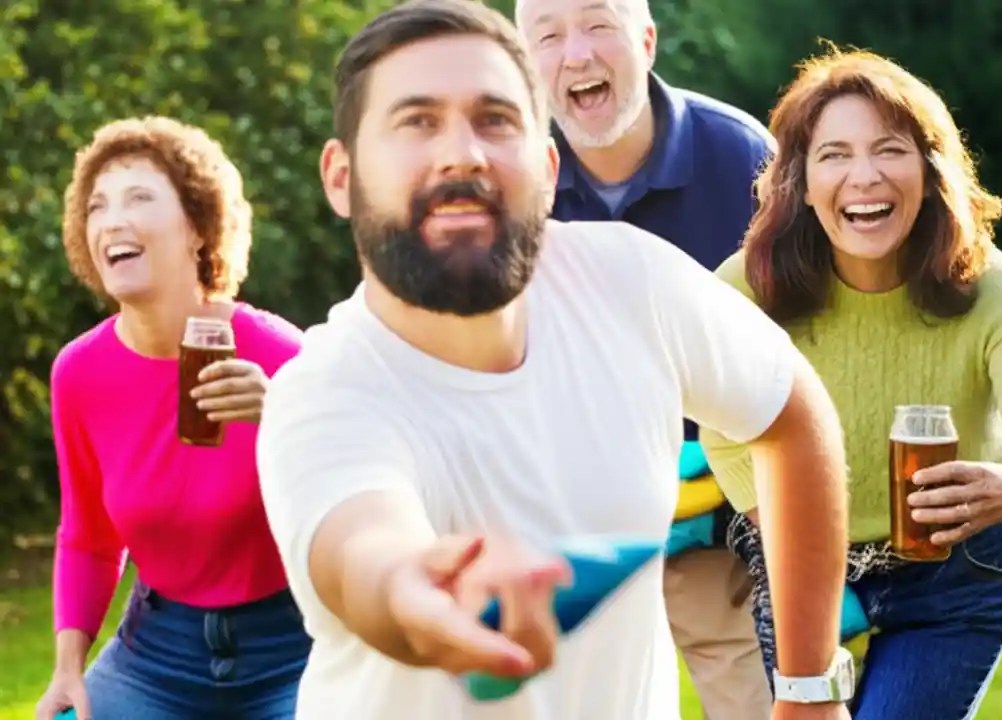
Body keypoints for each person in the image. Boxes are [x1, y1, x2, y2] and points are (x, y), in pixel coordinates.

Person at [254, 2, 853, 719]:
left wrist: (809, 686)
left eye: (495, 119)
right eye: (416, 121)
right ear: (341, 177)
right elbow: (363, 557)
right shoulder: (324, 392)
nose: (462, 154)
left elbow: (792, 410)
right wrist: (422, 590)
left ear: (545, 166)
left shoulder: (631, 280)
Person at [699, 46, 1002, 718]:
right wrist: (790, 533)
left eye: (890, 149)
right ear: (801, 183)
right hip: (798, 563)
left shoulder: (1000, 294)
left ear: (930, 173)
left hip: (956, 574)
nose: (863, 176)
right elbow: (721, 429)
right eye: (834, 154)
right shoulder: (744, 290)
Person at [512, 1, 775, 715]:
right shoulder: (502, 177)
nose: (576, 54)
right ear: (521, 61)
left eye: (598, 24)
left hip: (721, 530)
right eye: (547, 36)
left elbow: (799, 347)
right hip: (568, 532)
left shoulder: (744, 159)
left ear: (647, 40)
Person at [34, 116, 310, 720]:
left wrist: (286, 416)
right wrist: (66, 670)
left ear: (197, 226)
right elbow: (88, 536)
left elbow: (354, 499)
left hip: (294, 649)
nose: (113, 219)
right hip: (156, 653)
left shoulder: (279, 357)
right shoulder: (80, 373)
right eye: (98, 206)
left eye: (139, 197)